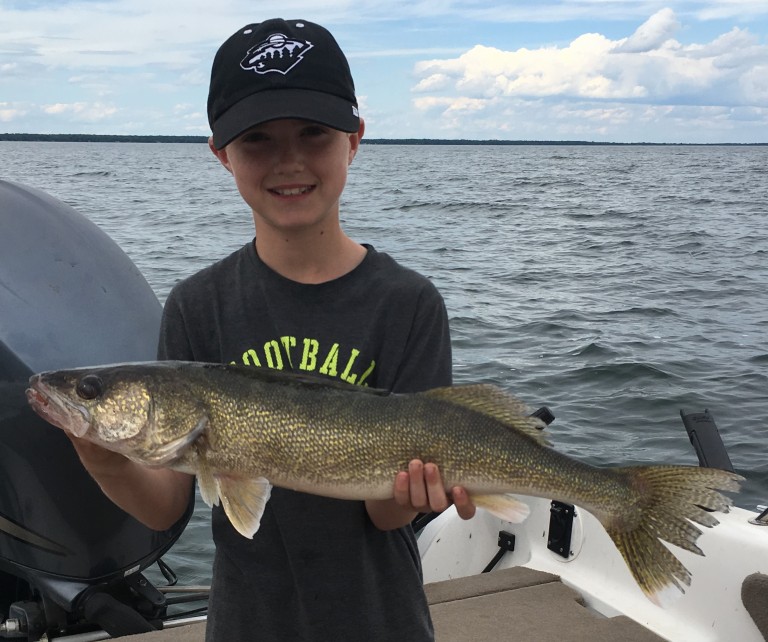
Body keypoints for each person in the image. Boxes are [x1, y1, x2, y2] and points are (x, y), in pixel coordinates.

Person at [67, 18, 475, 641]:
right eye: (257, 139)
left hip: (380, 620)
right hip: (247, 623)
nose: (289, 160)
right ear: (221, 153)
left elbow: (385, 513)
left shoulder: (409, 303)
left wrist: (413, 494)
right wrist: (107, 461)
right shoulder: (197, 305)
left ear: (355, 139)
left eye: (314, 133)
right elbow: (168, 505)